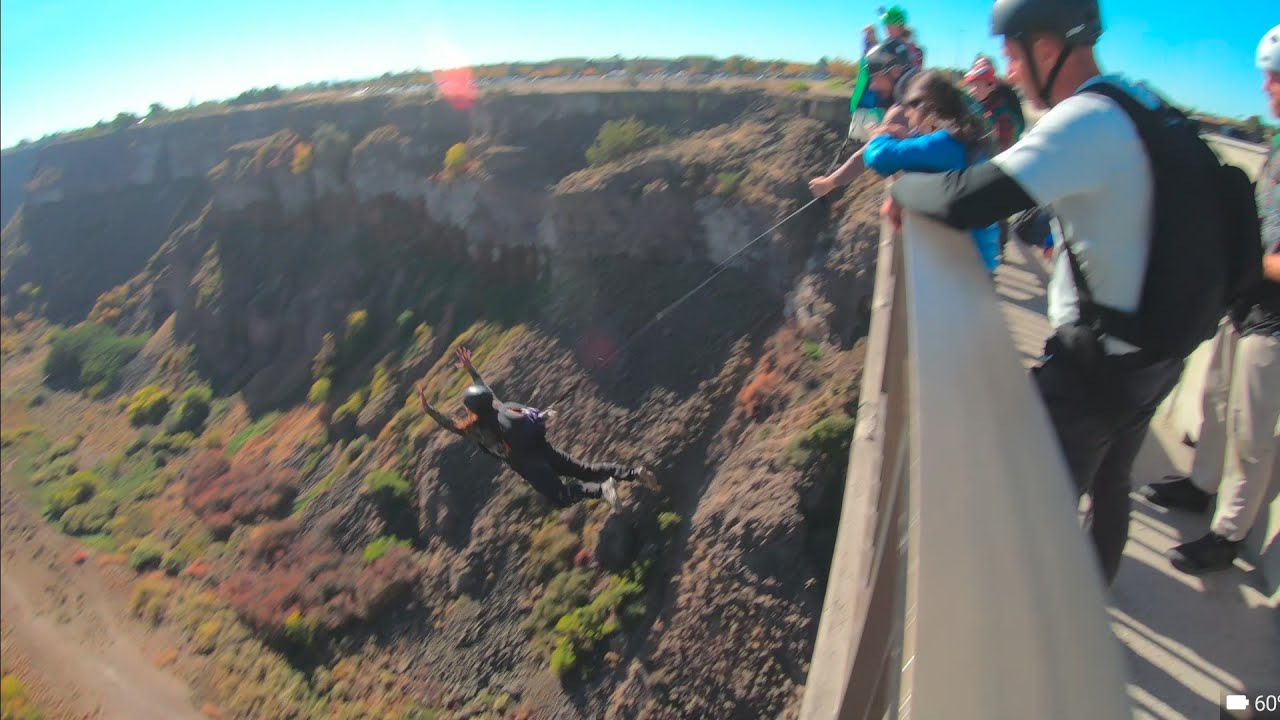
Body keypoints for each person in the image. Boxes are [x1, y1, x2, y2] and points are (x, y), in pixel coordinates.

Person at [882, 0, 1195, 584]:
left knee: (1037, 506)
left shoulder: (1085, 119)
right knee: (1113, 481)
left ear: (1045, 48)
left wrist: (903, 195)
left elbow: (966, 197)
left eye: (1012, 53)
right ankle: (1096, 586)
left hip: (1096, 366)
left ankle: (1052, 618)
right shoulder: (1143, 101)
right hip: (1160, 354)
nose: (1010, 71)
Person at [1137, 25, 1280, 575]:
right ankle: (1201, 485)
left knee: (1252, 432)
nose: (1265, 87)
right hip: (1245, 303)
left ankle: (1227, 533)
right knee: (1219, 403)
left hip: (1273, 320)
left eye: (1273, 78)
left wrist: (1246, 259)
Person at [417, 347, 654, 509]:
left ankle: (602, 491)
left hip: (530, 466)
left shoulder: (476, 429)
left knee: (561, 496)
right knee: (586, 469)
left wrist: (428, 410)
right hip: (543, 448)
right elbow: (482, 385)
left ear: (472, 410)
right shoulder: (498, 405)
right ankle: (634, 473)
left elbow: (448, 424)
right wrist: (470, 368)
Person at [829, 70, 1001, 272]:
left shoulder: (948, 143)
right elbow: (924, 151)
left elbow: (878, 157)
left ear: (924, 107)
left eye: (908, 108)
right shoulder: (964, 136)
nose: (907, 116)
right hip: (979, 258)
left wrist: (879, 137)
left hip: (967, 265)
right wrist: (905, 137)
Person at [816, 40, 920, 190]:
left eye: (876, 77)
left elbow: (865, 155)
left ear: (896, 71)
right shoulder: (923, 94)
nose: (872, 86)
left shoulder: (903, 109)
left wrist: (829, 183)